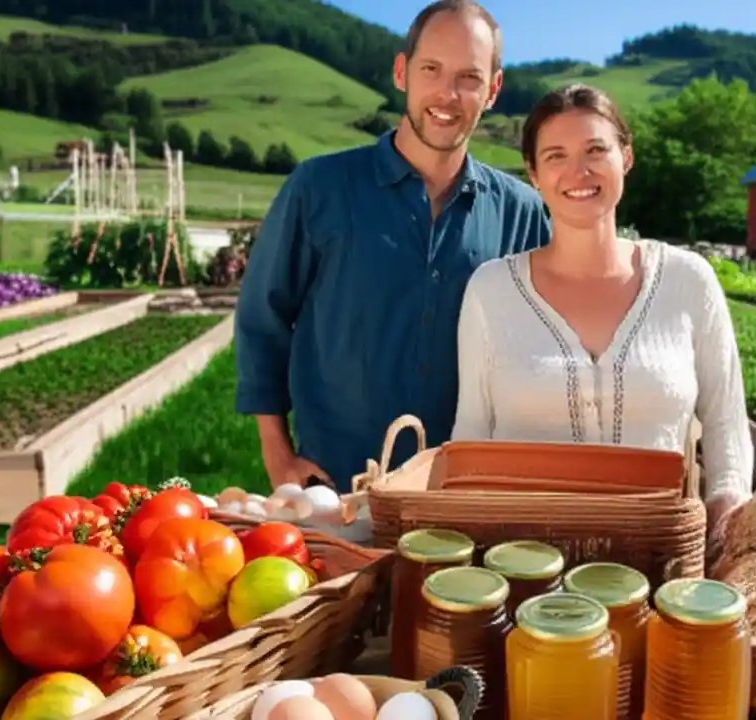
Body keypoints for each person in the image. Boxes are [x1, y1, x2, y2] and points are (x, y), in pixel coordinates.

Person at [234, 0, 551, 493]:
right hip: (333, 485)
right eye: (431, 69)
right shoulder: (318, 187)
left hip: (466, 492)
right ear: (402, 72)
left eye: (469, 77)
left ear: (493, 90)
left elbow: (544, 347)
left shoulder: (522, 212)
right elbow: (262, 320)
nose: (447, 94)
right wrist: (278, 455)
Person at [450, 83, 755, 550]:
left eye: (597, 149)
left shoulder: (687, 281)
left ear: (625, 158)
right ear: (533, 173)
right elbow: (470, 434)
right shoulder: (491, 291)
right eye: (555, 156)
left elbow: (726, 424)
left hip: (662, 565)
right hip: (523, 569)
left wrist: (724, 523)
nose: (579, 170)